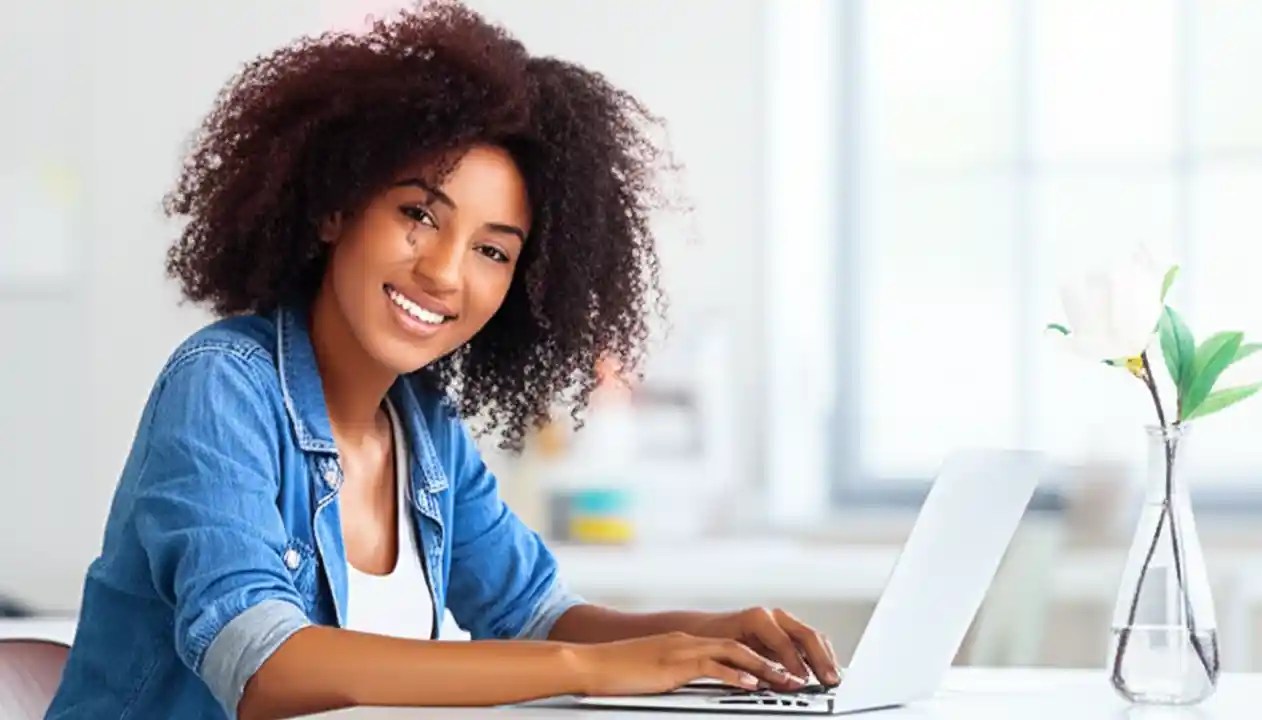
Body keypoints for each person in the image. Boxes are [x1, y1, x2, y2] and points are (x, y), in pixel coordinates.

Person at [46, 3, 839, 718]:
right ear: (334, 206)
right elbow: (263, 664)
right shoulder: (221, 386)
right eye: (419, 214)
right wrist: (590, 668)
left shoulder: (421, 426)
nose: (445, 273)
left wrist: (710, 636)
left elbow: (532, 613)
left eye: (493, 250)